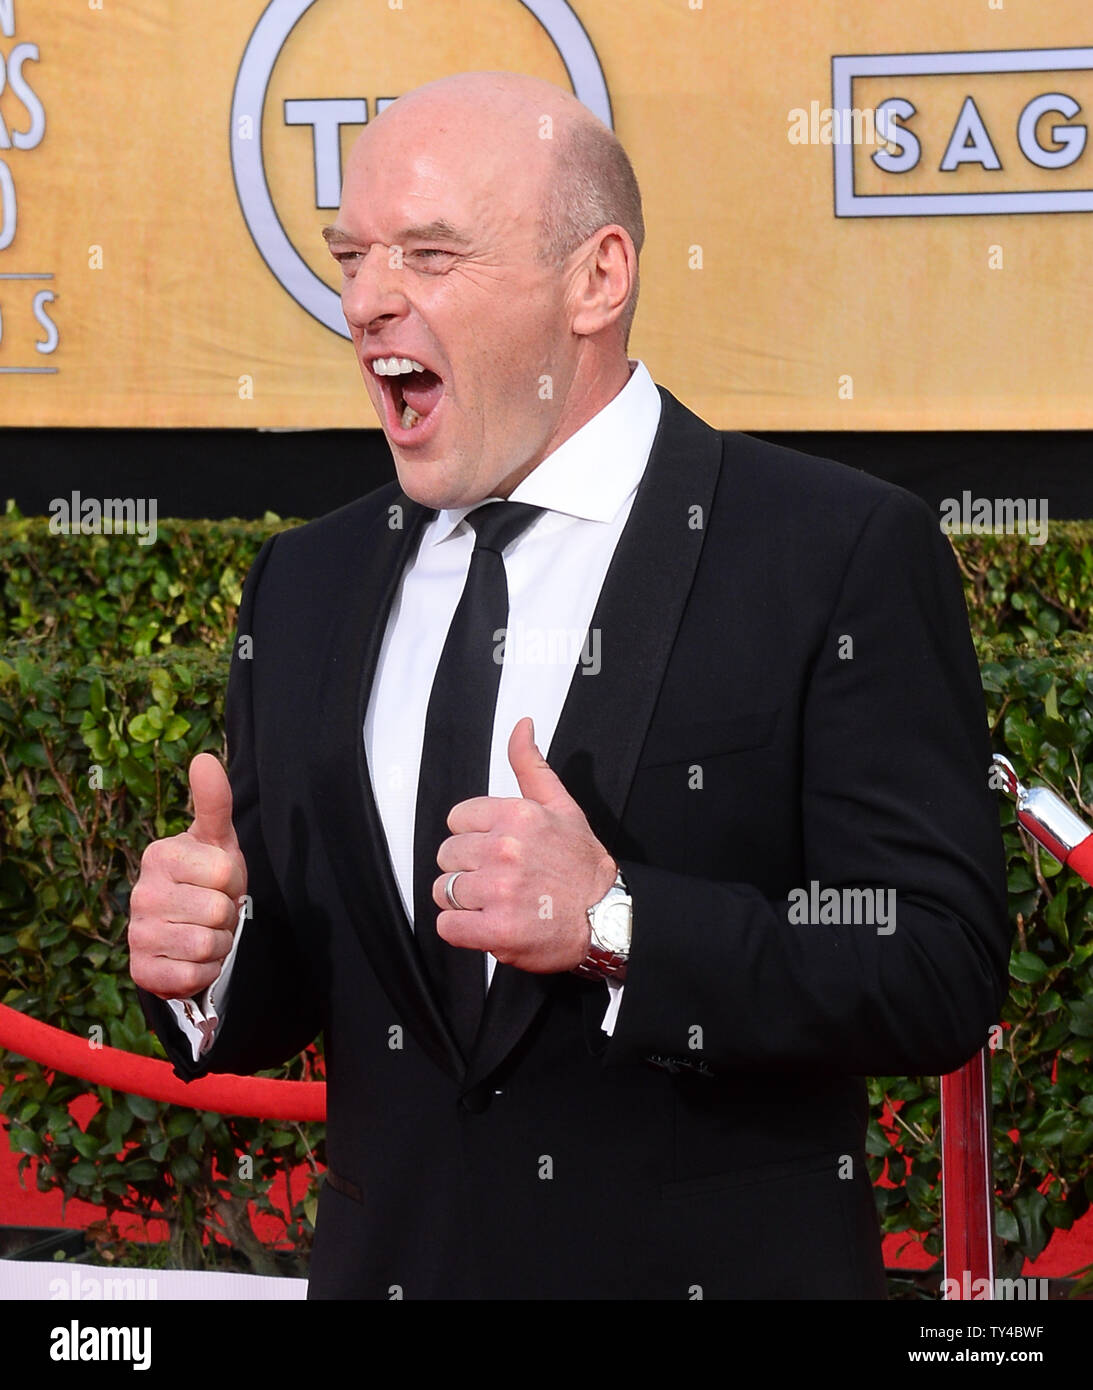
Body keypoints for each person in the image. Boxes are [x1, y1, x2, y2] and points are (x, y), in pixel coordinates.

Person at [129, 70, 1010, 1299]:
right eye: (352, 257)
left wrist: (615, 924)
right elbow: (319, 984)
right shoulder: (305, 582)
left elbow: (935, 967)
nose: (368, 300)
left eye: (429, 255)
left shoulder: (830, 551)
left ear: (596, 278)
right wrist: (214, 956)